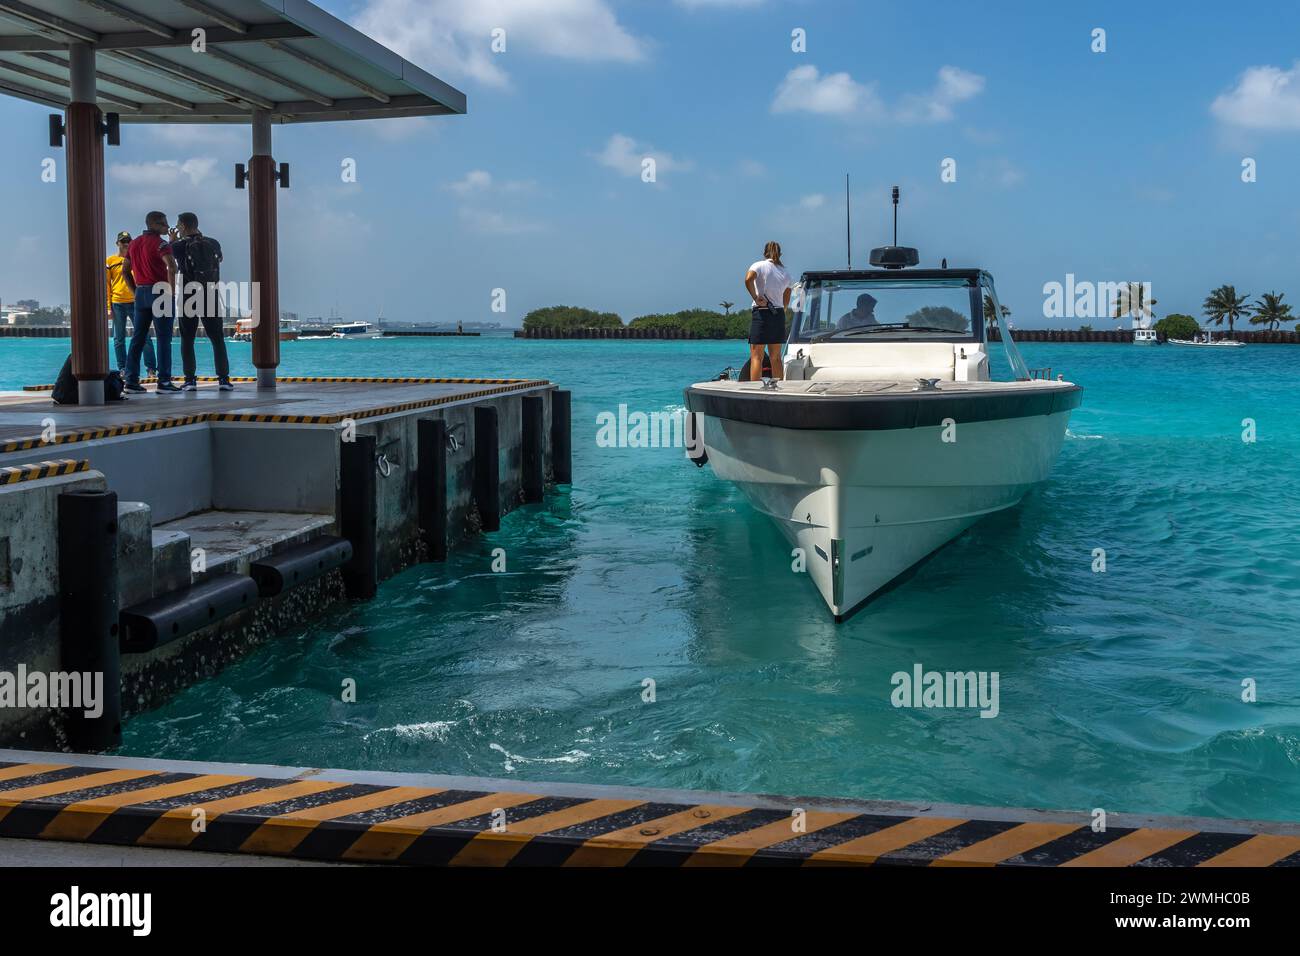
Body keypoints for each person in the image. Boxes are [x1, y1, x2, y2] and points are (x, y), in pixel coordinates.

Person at [170, 212, 232, 391]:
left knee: (187, 339)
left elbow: (166, 254)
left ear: (182, 226)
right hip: (210, 293)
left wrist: (172, 240)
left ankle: (190, 380)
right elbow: (219, 259)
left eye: (178, 225)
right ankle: (224, 380)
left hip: (189, 294)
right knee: (217, 338)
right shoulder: (213, 243)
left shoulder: (179, 246)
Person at [124, 211, 178, 393]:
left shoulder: (133, 244)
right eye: (163, 223)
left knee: (138, 337)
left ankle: (130, 380)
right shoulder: (161, 244)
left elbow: (125, 271)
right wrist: (171, 292)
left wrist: (135, 291)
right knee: (164, 338)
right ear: (153, 224)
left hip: (141, 292)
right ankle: (163, 382)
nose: (166, 226)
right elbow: (171, 266)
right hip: (160, 291)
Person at [106, 230, 156, 377]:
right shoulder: (110, 261)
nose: (126, 244)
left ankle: (151, 369)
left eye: (129, 241)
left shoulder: (137, 259)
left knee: (145, 336)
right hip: (117, 303)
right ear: (117, 243)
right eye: (123, 241)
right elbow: (106, 285)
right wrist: (108, 308)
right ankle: (123, 369)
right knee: (118, 338)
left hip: (136, 302)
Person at [744, 240, 790, 381]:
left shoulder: (758, 265)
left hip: (762, 313)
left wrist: (756, 297)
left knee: (757, 355)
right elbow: (787, 293)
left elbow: (748, 279)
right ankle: (778, 387)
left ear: (764, 253)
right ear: (780, 254)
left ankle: (755, 389)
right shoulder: (785, 272)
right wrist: (783, 309)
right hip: (778, 314)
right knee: (776, 356)